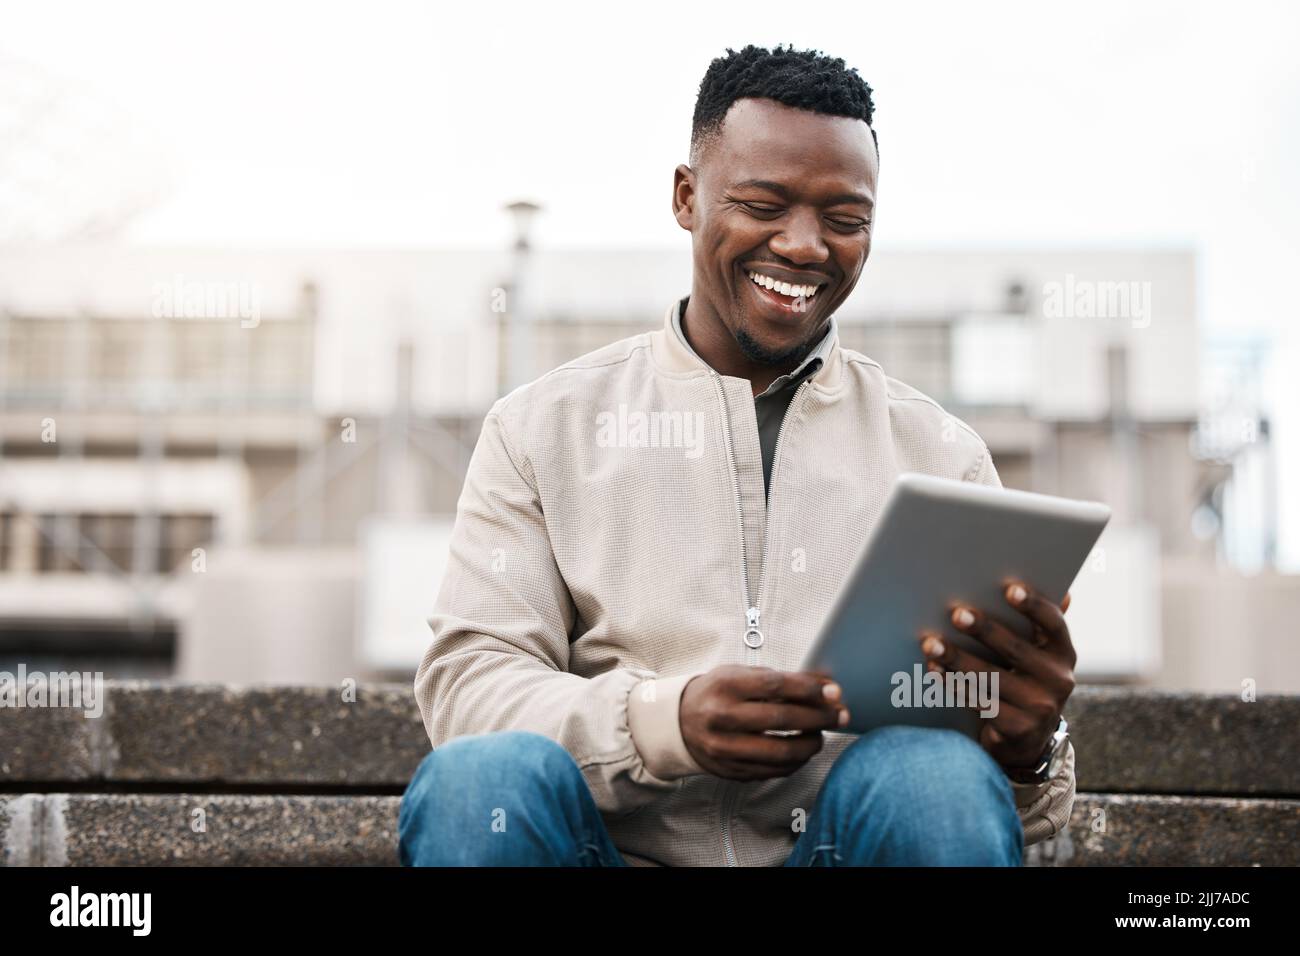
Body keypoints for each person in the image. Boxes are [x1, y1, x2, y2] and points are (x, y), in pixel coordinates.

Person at [400, 43, 1076, 867]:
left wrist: (1029, 750)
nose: (804, 246)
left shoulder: (940, 454)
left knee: (933, 778)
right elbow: (470, 690)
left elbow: (1002, 809)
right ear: (687, 198)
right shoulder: (542, 429)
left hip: (839, 849)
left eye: (845, 220)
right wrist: (663, 723)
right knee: (480, 785)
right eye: (764, 205)